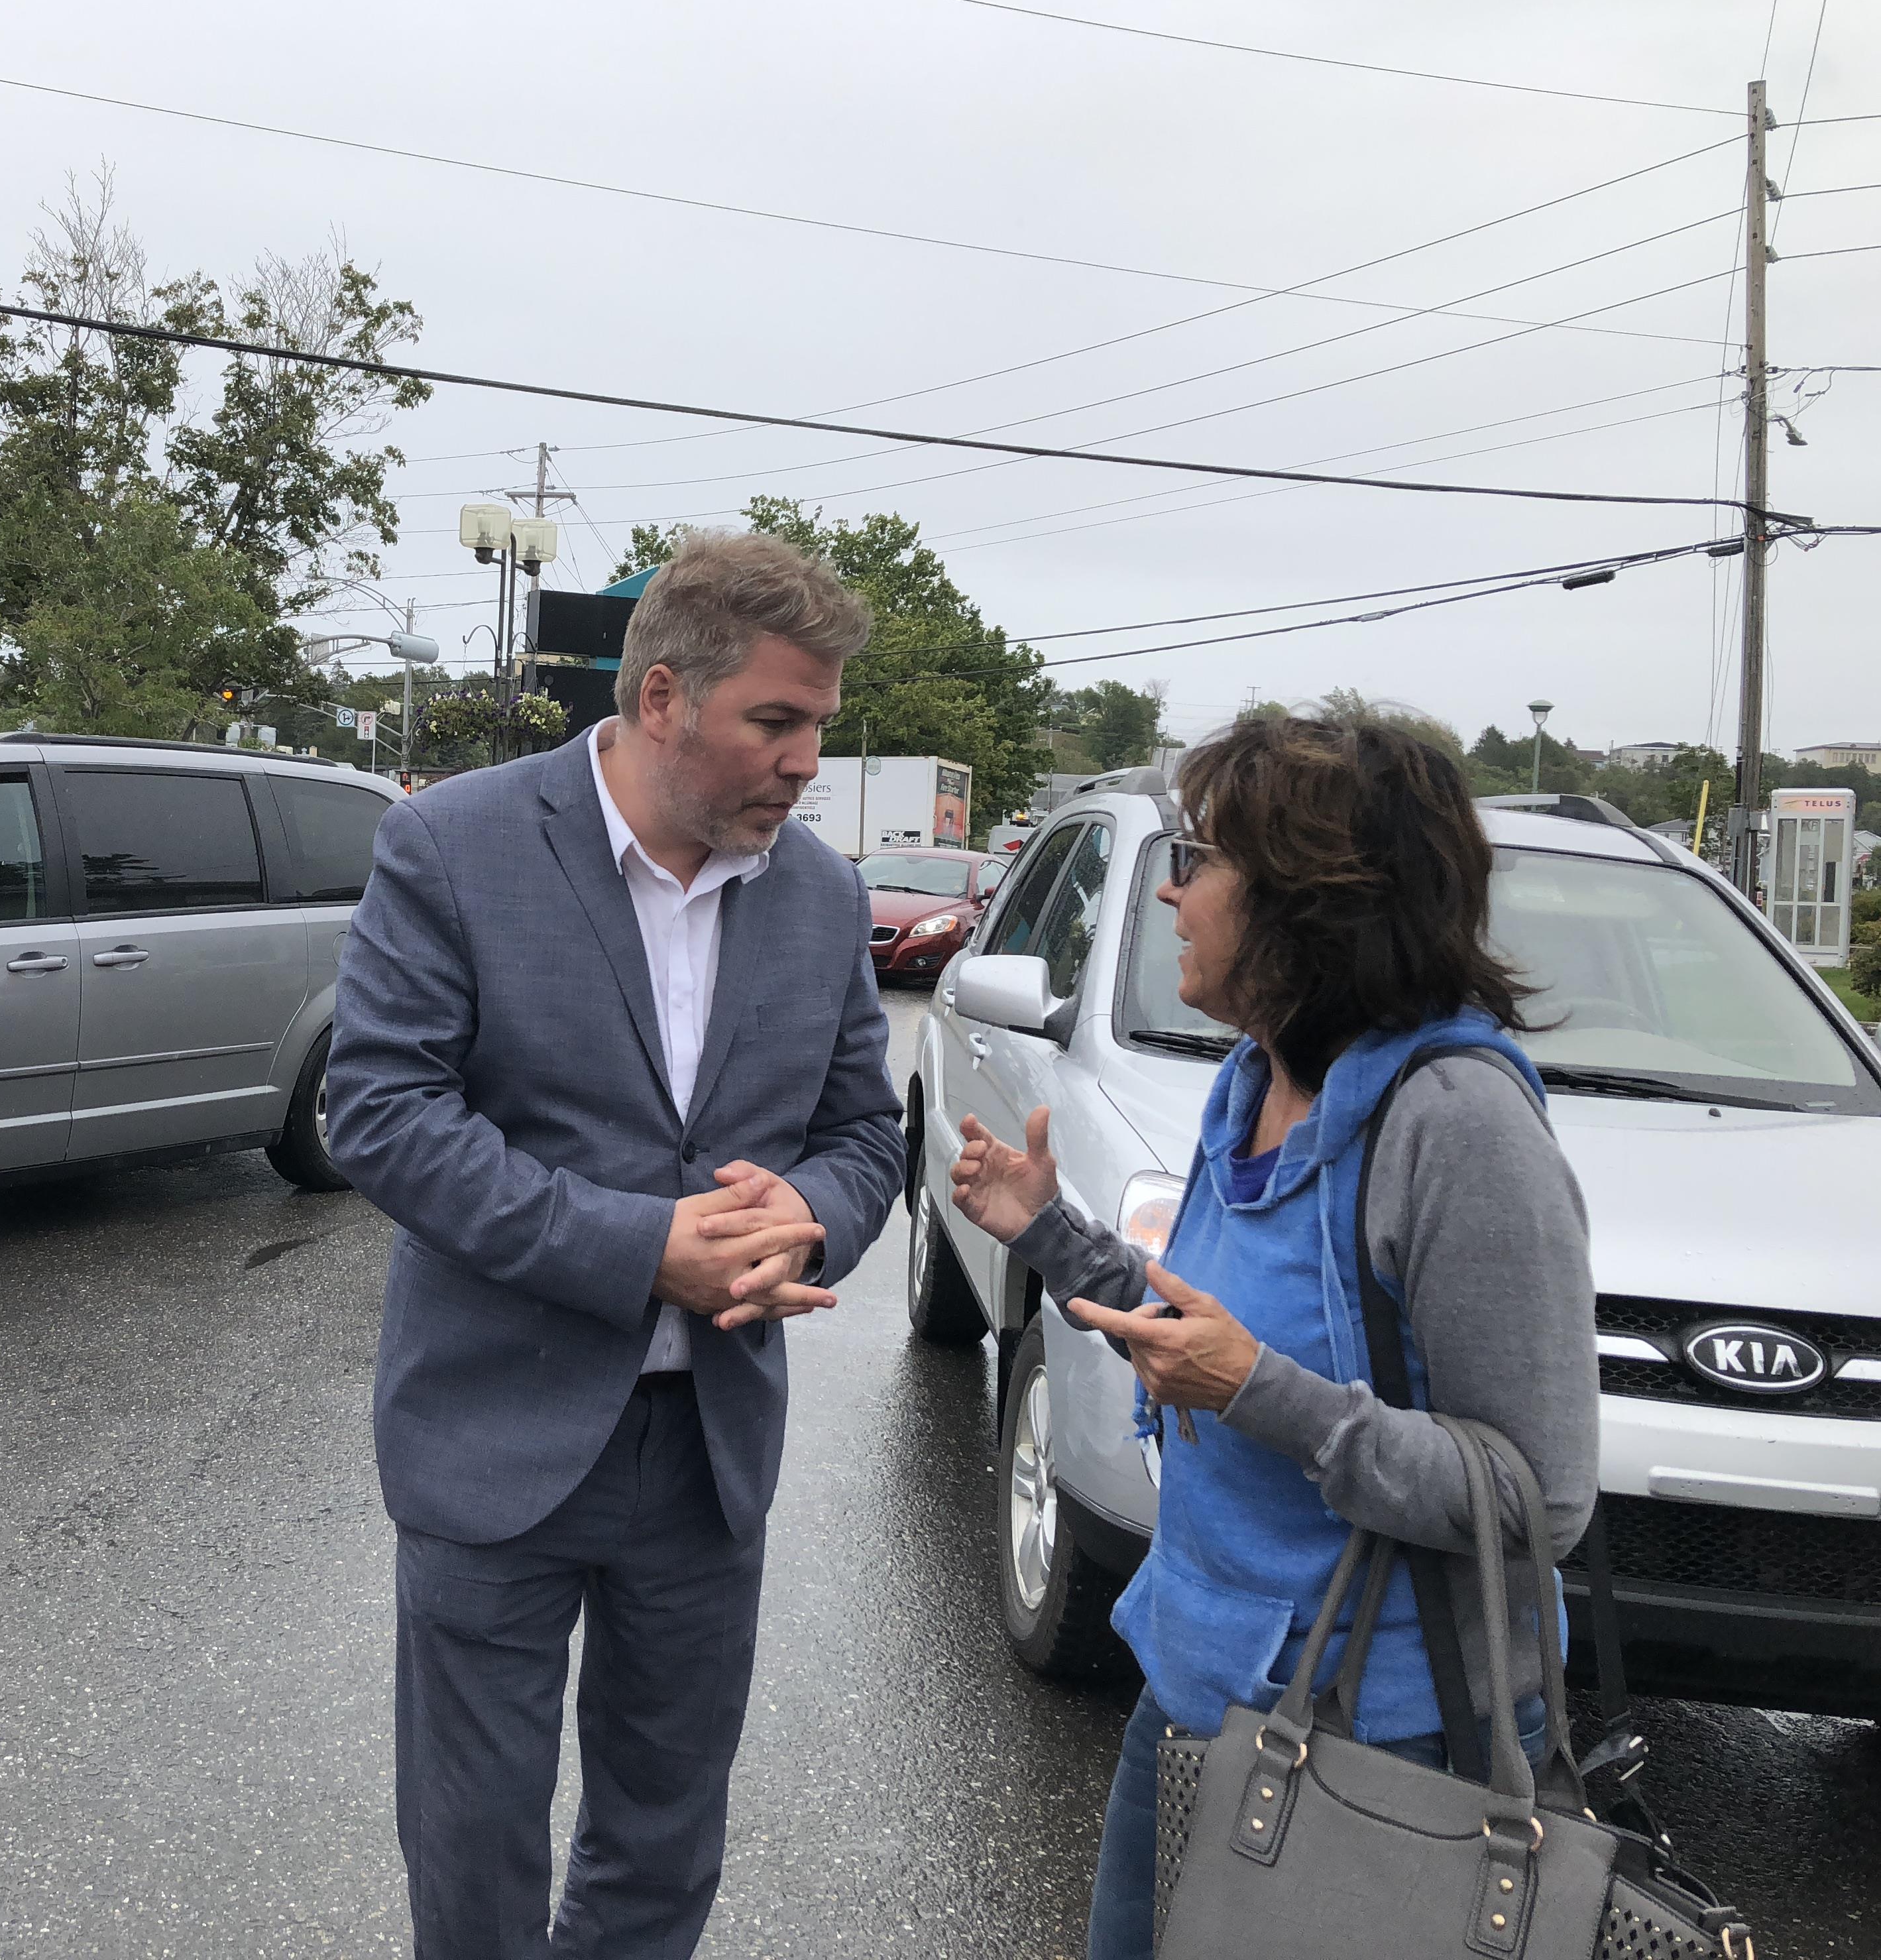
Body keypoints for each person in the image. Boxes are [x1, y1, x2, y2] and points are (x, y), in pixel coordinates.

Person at [330, 530, 906, 1958]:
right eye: (775, 721)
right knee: (475, 1838)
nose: (803, 763)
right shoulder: (453, 844)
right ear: (662, 699)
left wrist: (810, 1217)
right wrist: (639, 1246)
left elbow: (863, 1137)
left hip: (703, 1451)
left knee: (666, 1830)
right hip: (497, 1430)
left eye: (820, 728)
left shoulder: (824, 895)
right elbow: (384, 1116)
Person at [946, 711, 1599, 1960]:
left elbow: (1538, 1501)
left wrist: (1262, 1394)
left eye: (1201, 861)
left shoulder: (1460, 1128)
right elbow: (1209, 1335)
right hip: (1196, 1688)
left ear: (1310, 903)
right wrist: (1054, 1235)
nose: (1174, 894)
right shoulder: (1253, 1084)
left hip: (1380, 1747)